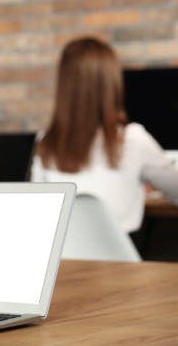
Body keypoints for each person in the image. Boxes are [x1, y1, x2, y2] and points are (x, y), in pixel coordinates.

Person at [31, 36, 178, 234]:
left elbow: (39, 213)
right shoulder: (132, 139)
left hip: (65, 261)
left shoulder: (46, 142)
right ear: (112, 84)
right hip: (121, 263)